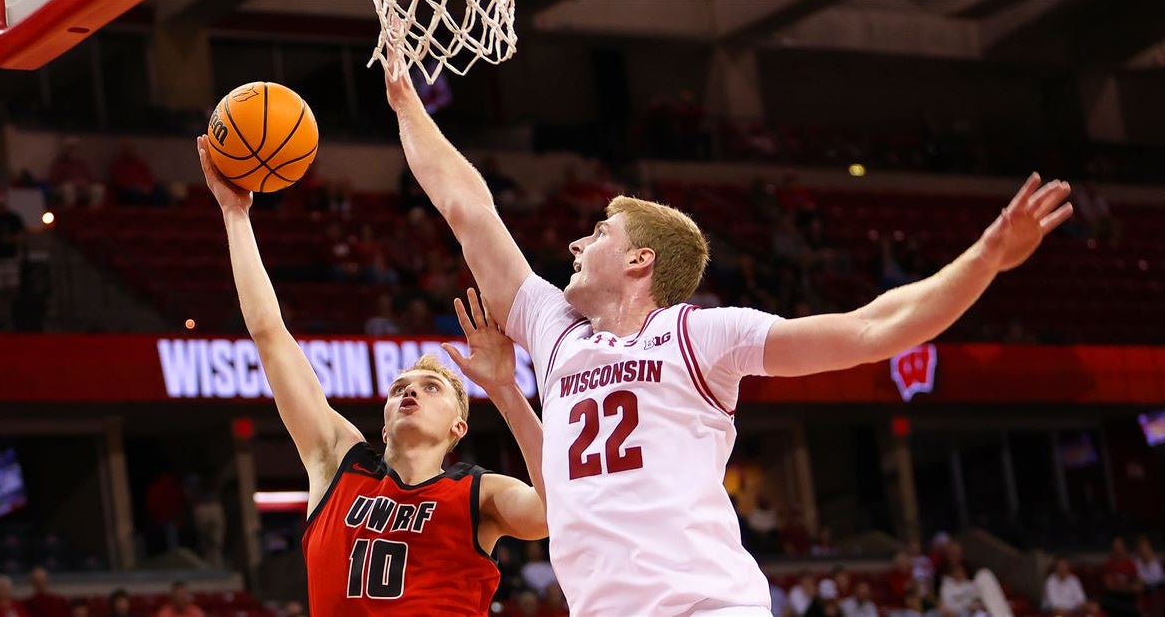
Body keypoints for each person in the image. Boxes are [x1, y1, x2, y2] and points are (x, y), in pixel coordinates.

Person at [384, 59, 1073, 615]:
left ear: (638, 260)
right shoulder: (555, 333)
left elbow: (871, 328)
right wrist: (406, 106)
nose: (573, 240)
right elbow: (468, 209)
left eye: (596, 234)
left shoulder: (704, 337)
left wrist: (984, 257)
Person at [196, 136, 548, 615]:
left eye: (431, 388)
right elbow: (270, 335)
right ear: (382, 425)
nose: (410, 393)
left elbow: (557, 509)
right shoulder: (339, 464)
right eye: (400, 388)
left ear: (457, 428)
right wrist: (235, 215)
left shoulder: (478, 493)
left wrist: (505, 392)